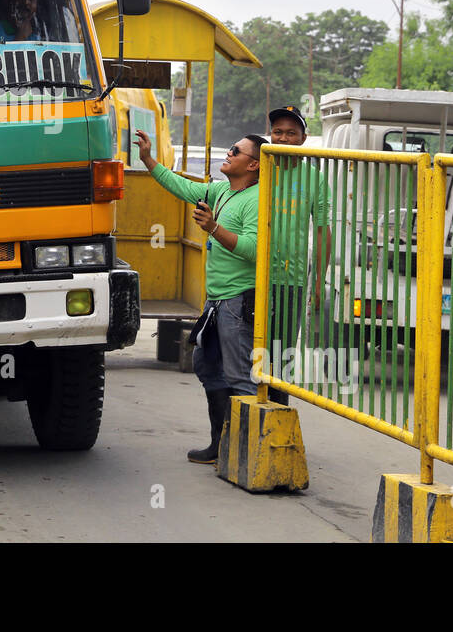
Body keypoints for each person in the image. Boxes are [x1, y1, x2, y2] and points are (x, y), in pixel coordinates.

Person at [136, 129, 264, 464]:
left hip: (238, 300)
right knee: (207, 364)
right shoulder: (221, 190)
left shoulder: (258, 200)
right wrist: (150, 162)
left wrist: (212, 229)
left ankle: (247, 457)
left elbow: (253, 250)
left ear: (253, 165)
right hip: (217, 300)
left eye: (236, 150)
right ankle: (220, 445)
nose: (229, 152)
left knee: (239, 376)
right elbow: (184, 187)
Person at [266, 105, 332, 402]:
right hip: (251, 276)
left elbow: (322, 231)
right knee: (245, 353)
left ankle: (276, 419)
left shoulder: (314, 178)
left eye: (291, 133)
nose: (283, 138)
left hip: (290, 281)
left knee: (281, 356)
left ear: (303, 138)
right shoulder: (258, 169)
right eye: (278, 132)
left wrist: (318, 281)